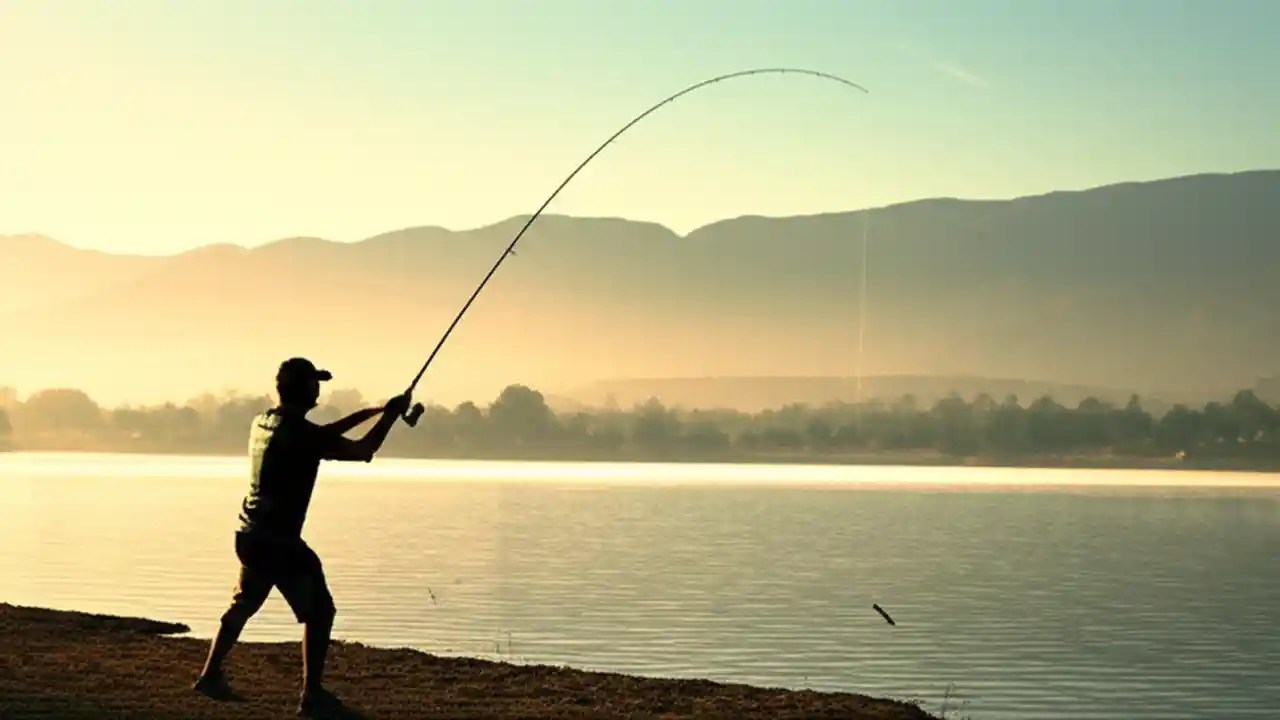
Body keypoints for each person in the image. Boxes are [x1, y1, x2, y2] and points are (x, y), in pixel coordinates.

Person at [192, 357, 413, 718]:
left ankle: (210, 675)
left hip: (249, 536)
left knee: (244, 603)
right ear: (306, 388)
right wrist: (387, 418)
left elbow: (324, 432)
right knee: (321, 611)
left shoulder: (262, 422)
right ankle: (311, 694)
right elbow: (363, 451)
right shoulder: (304, 437)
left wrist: (377, 409)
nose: (320, 389)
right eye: (316, 383)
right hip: (279, 541)